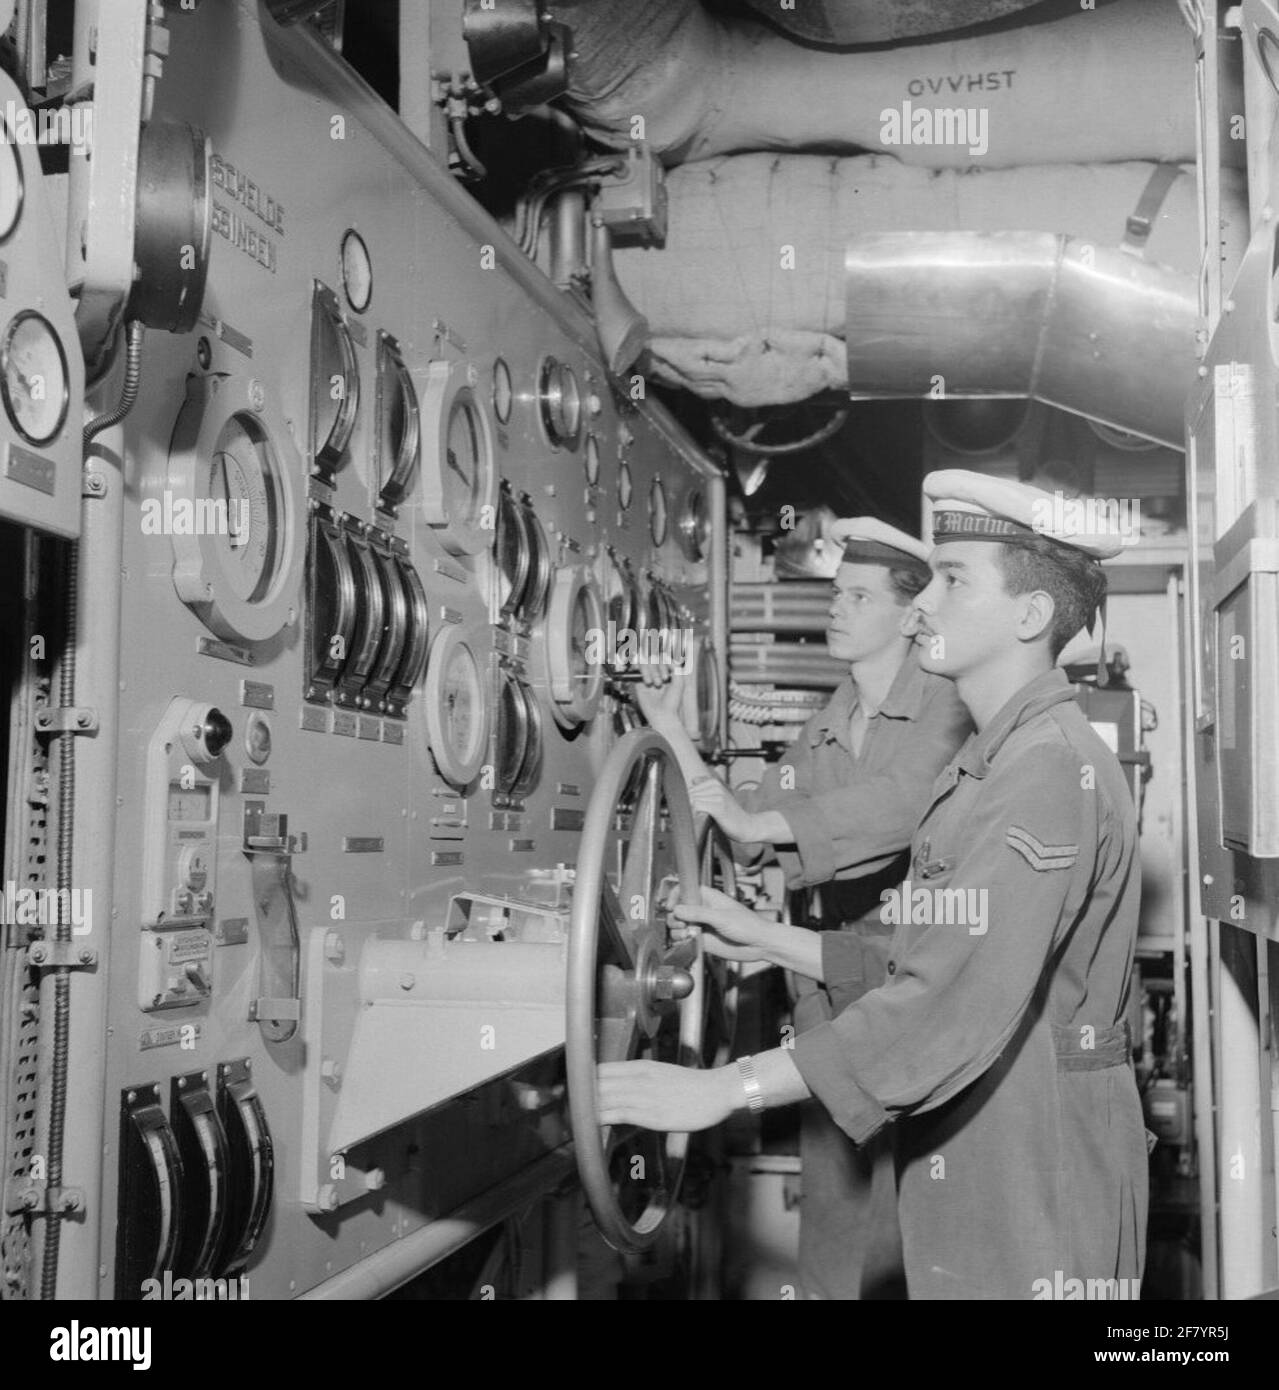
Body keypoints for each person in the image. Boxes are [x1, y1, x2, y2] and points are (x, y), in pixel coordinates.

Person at [603, 469, 1148, 1300]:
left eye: (953, 580)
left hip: (1032, 1160)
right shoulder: (992, 759)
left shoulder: (1042, 772)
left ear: (1030, 616)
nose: (923, 604)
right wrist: (761, 933)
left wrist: (726, 1087)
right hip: (988, 1139)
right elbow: (913, 951)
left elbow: (944, 999)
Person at [636, 516, 970, 1299]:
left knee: (913, 1230)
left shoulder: (948, 707)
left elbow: (902, 804)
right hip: (830, 1000)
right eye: (835, 594)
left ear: (911, 614)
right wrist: (674, 733)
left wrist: (760, 822)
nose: (836, 609)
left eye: (858, 596)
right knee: (835, 1222)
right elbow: (750, 824)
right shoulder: (830, 722)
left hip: (920, 994)